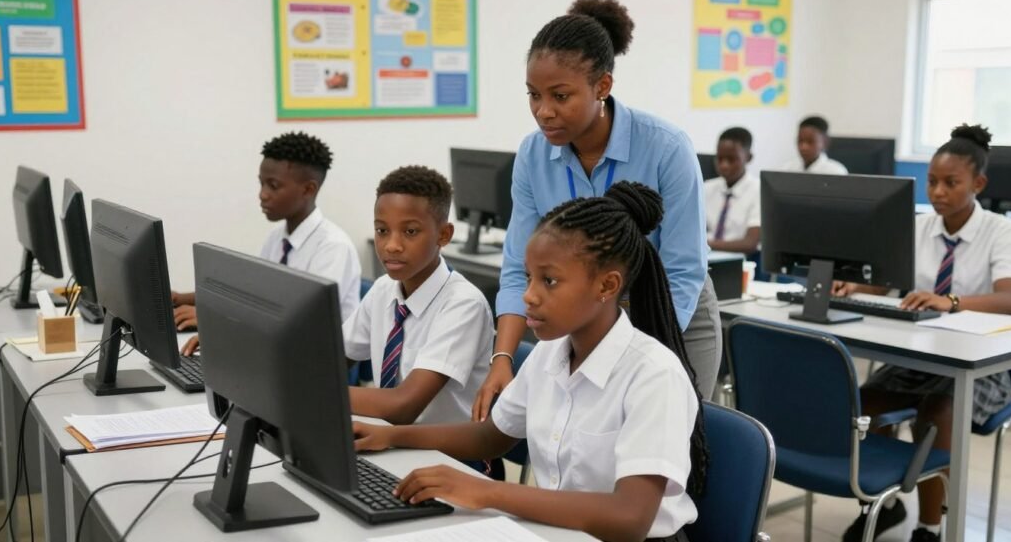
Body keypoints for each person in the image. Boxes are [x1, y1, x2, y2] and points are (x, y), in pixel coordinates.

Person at [354, 182, 707, 542]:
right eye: (528, 277)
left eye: (549, 281)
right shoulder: (550, 352)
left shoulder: (653, 375)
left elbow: (629, 518)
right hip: (558, 531)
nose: (528, 296)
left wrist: (487, 492)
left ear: (607, 286)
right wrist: (391, 435)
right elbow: (490, 436)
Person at [474, 0, 720, 422]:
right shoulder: (533, 155)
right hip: (582, 315)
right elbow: (518, 266)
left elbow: (683, 271)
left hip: (667, 316)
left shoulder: (665, 148)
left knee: (666, 456)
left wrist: (628, 359)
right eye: (533, 95)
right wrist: (502, 358)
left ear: (602, 87)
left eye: (560, 95)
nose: (543, 111)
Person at [834, 124, 1011, 542]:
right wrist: (857, 286)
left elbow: (1010, 298)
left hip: (980, 368)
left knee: (938, 413)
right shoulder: (918, 226)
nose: (938, 192)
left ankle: (930, 528)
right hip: (921, 357)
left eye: (951, 183)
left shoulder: (1000, 232)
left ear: (979, 183)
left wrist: (949, 301)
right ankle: (883, 503)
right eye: (932, 182)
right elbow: (887, 282)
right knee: (866, 405)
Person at [178, 131, 362, 355]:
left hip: (312, 360)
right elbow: (255, 298)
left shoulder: (332, 248)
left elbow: (302, 321)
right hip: (275, 351)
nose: (262, 195)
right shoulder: (277, 238)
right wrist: (182, 299)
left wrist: (218, 322)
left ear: (308, 189)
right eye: (261, 183)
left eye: (273, 186)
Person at [343, 165, 493, 429]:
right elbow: (334, 358)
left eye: (410, 231)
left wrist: (317, 392)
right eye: (382, 230)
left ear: (444, 235)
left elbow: (404, 406)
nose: (391, 245)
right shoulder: (383, 290)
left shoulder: (463, 305)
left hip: (448, 456)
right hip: (388, 440)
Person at [705, 127, 760, 254]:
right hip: (708, 257)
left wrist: (705, 243)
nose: (724, 165)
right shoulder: (706, 187)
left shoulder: (759, 190)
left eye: (731, 159)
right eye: (720, 158)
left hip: (742, 262)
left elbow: (750, 244)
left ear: (749, 157)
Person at [781, 115, 848, 175]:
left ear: (825, 142)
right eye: (800, 141)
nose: (804, 147)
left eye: (810, 142)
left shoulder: (836, 172)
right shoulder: (787, 169)